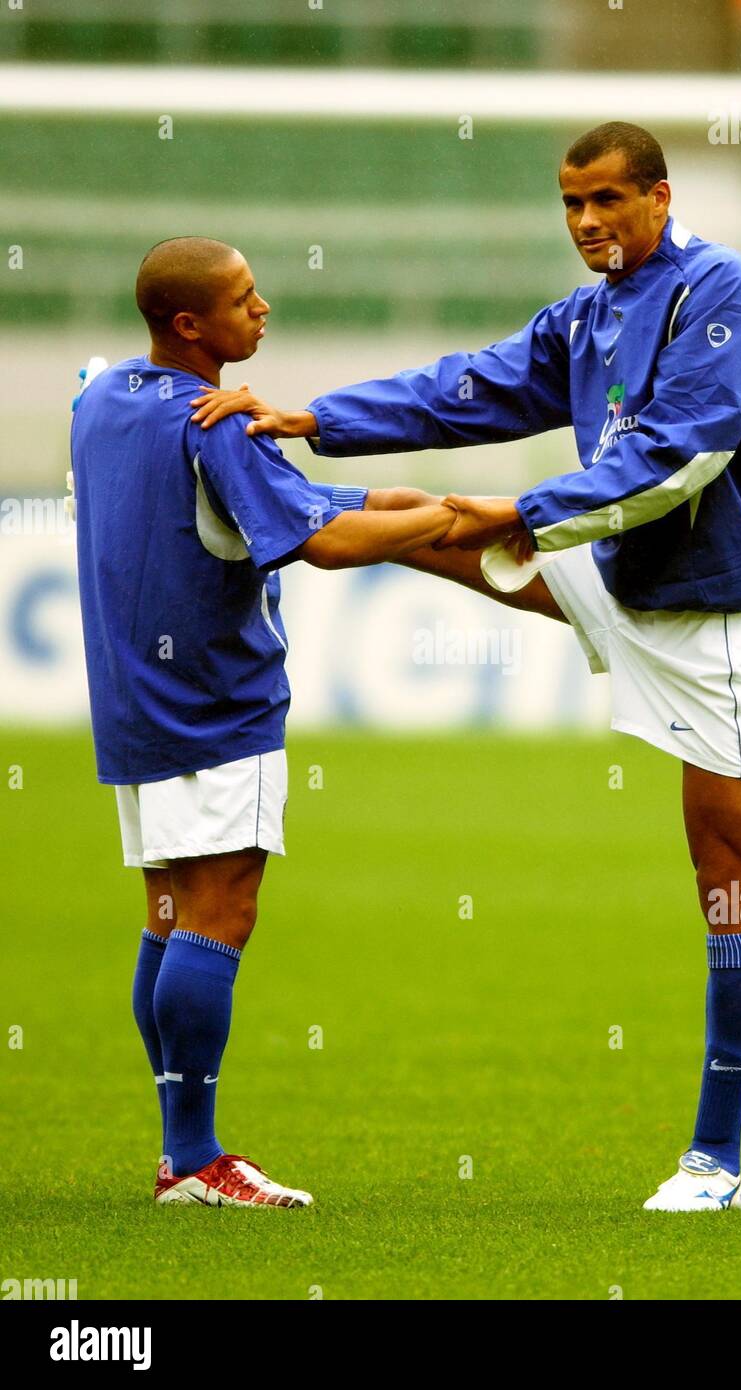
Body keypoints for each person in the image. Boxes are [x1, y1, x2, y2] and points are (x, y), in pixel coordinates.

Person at [191, 121, 741, 1213]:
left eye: (606, 202)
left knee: (729, 887)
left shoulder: (722, 291)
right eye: (570, 205)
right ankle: (257, 515)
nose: (584, 224)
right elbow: (465, 389)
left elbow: (685, 456)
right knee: (407, 517)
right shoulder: (589, 312)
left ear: (659, 199)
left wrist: (524, 509)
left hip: (716, 621)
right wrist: (311, 421)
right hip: (612, 576)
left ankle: (715, 1161)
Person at [71, 236, 458, 1207]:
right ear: (190, 324)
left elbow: (294, 501)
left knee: (166, 914)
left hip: (131, 707)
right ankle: (197, 1161)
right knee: (220, 914)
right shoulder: (220, 428)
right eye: (245, 298)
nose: (266, 307)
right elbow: (319, 542)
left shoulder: (100, 395)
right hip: (216, 704)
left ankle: (178, 1152)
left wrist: (394, 500)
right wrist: (454, 514)